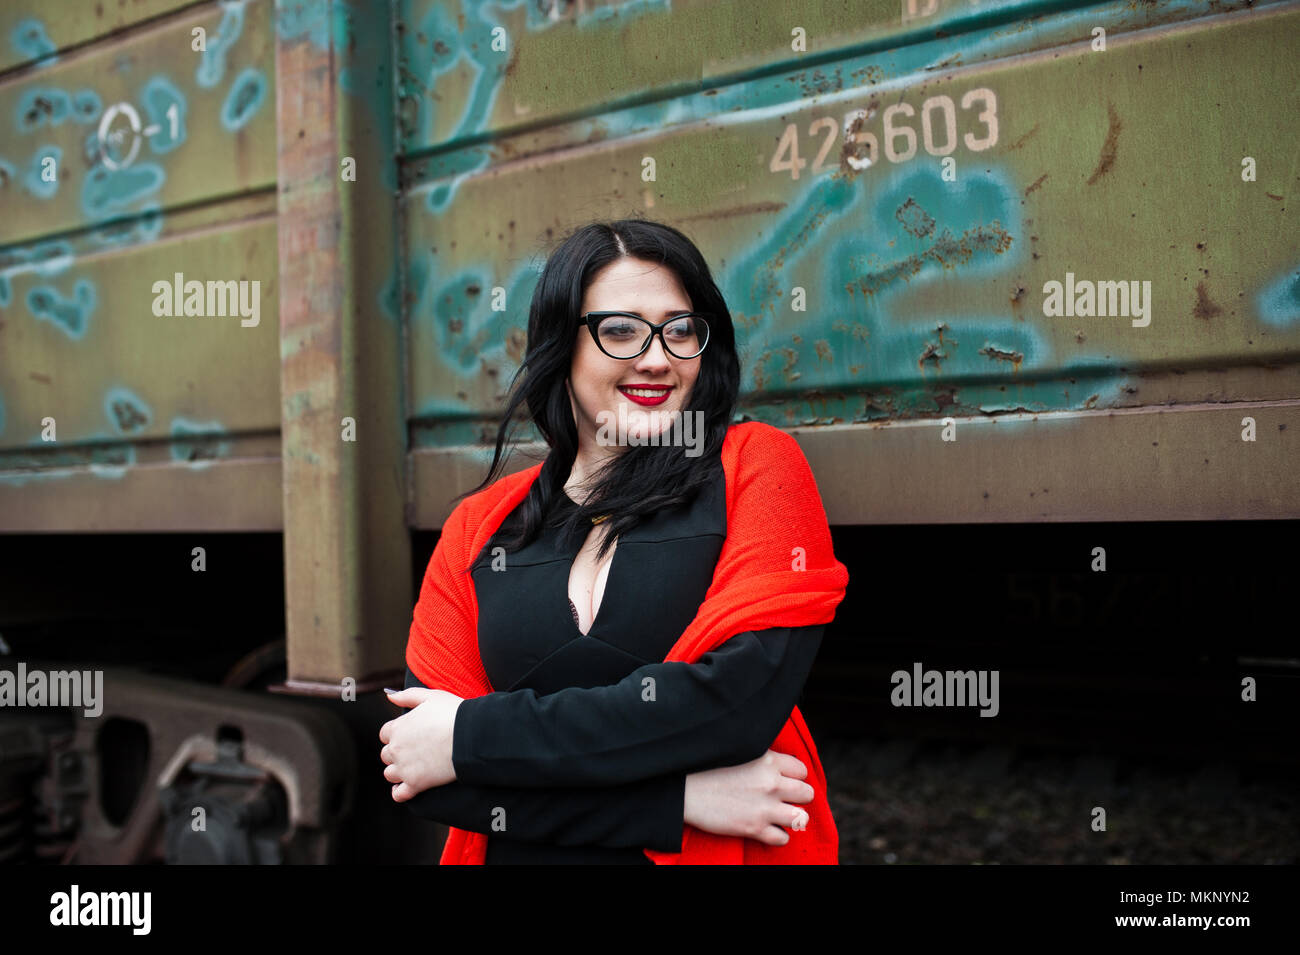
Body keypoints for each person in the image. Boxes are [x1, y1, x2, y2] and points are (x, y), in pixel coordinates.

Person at [379, 219, 849, 864]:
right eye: (620, 330)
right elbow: (424, 779)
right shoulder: (478, 527)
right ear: (559, 346)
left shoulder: (756, 469)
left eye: (680, 329)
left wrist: (468, 736)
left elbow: (734, 707)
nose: (656, 358)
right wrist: (671, 805)